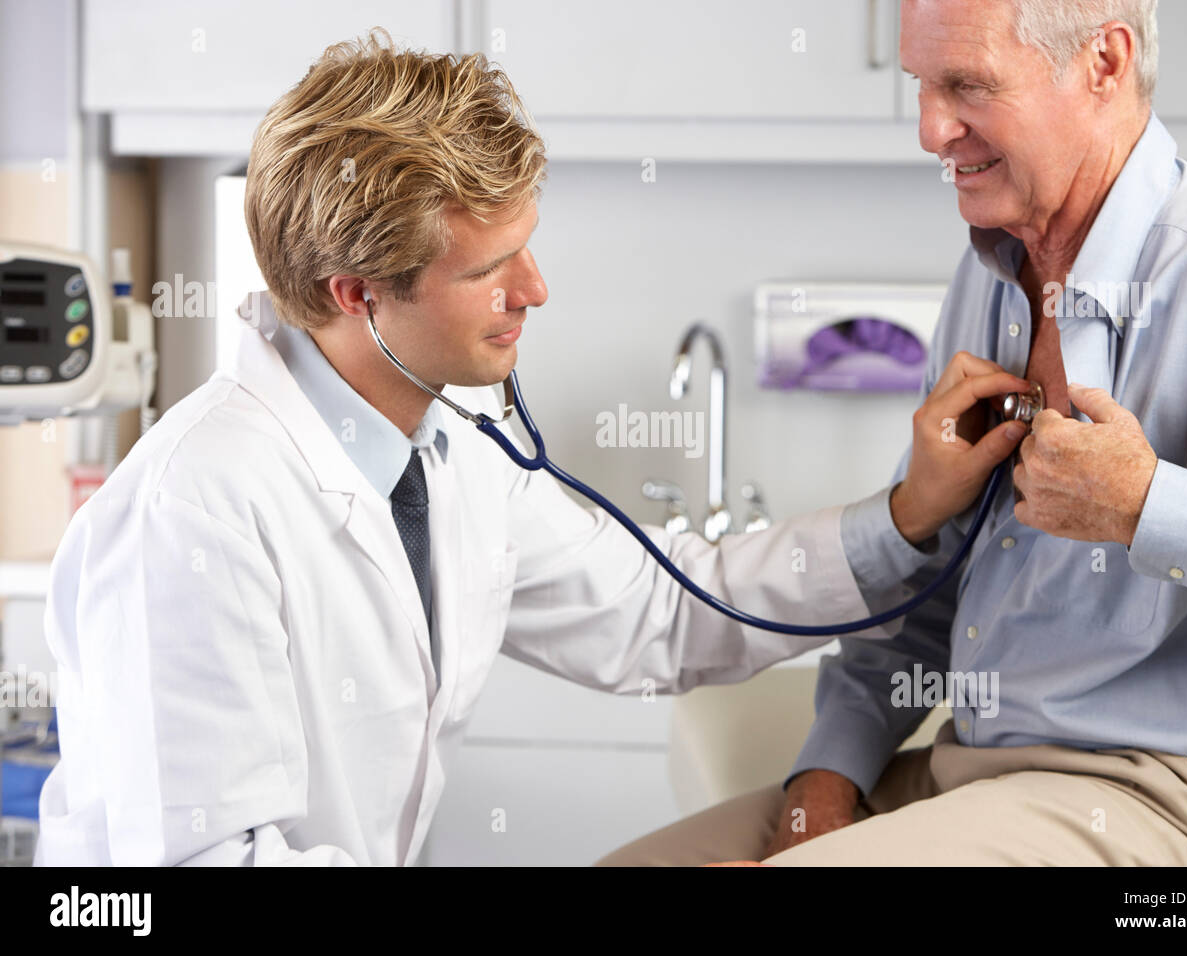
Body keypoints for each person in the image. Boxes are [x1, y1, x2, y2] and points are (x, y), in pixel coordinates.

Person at [33, 30, 1026, 866]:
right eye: (492, 266)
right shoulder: (194, 510)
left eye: (527, 245)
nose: (536, 288)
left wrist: (905, 517)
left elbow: (660, 612)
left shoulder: (453, 447)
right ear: (357, 294)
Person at [600, 0, 1187, 866]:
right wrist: (828, 774)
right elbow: (929, 588)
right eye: (923, 85)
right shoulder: (993, 282)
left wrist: (1149, 508)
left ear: (1104, 63)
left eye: (967, 85)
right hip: (982, 771)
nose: (932, 129)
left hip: (1180, 796)